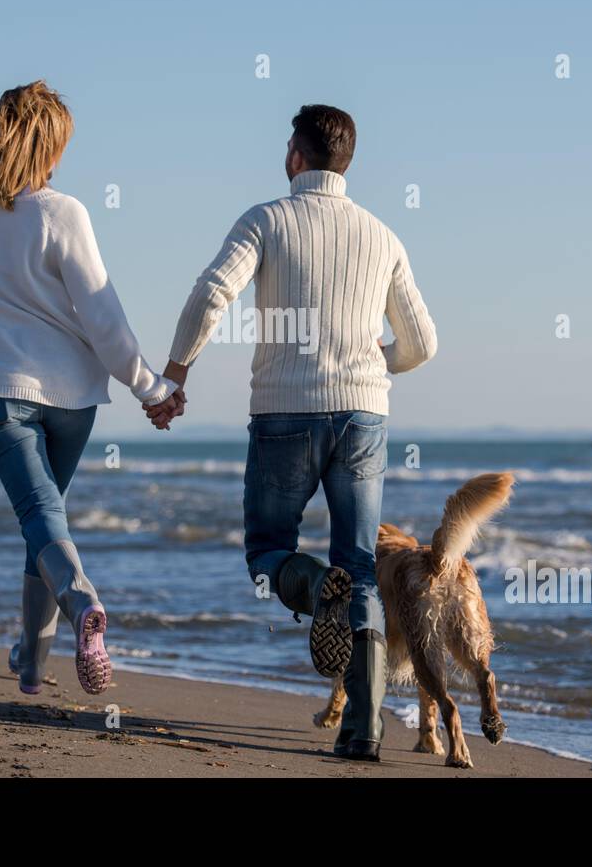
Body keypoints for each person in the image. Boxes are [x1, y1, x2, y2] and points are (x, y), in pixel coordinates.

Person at [149, 104, 436, 759]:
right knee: (360, 564)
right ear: (347, 161)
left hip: (283, 411)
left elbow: (210, 293)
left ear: (296, 157)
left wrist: (174, 375)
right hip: (364, 413)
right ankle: (362, 732)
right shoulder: (383, 236)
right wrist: (371, 365)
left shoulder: (267, 219)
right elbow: (422, 343)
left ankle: (311, 589)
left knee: (267, 548)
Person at [0, 81, 184, 696]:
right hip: (72, 397)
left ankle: (82, 610)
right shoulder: (64, 213)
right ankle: (31, 662)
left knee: (40, 519)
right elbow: (103, 316)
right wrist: (150, 388)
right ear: (49, 146)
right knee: (45, 521)